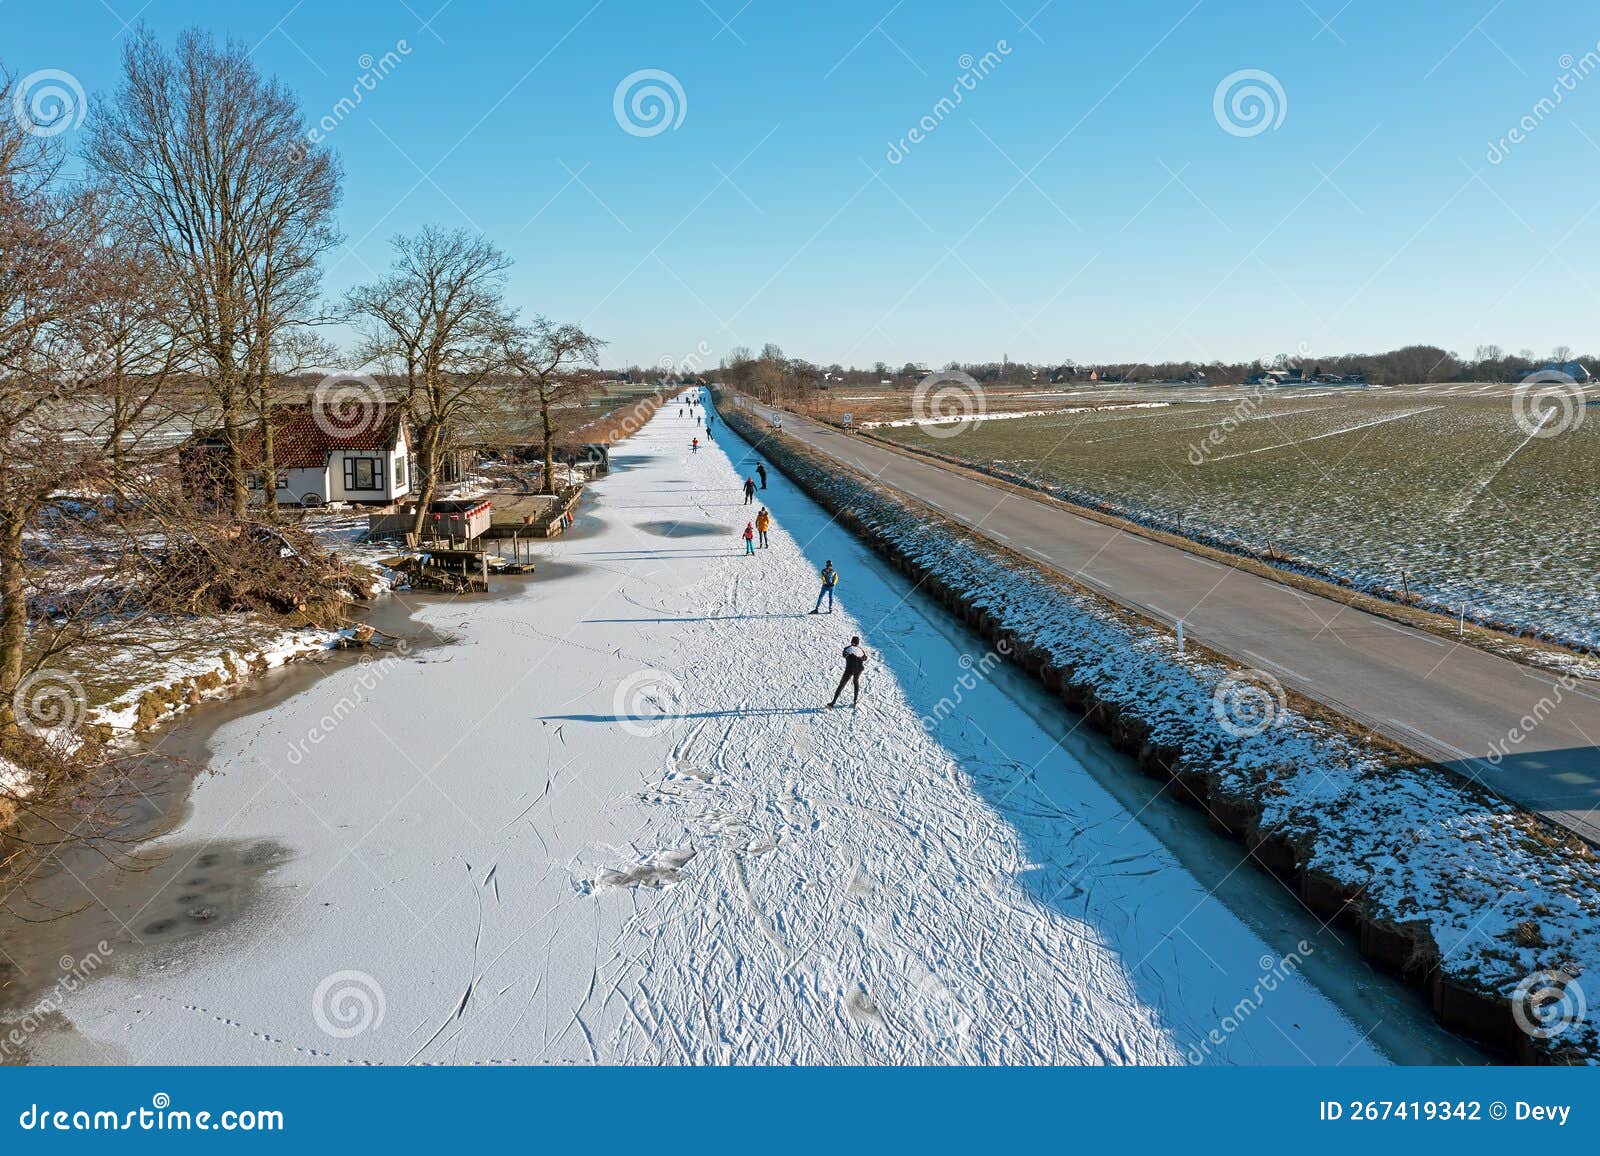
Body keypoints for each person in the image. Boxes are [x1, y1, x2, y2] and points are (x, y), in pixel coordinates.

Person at [828, 636, 868, 708]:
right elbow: (865, 658)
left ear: (852, 642)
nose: (854, 644)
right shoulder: (859, 649)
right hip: (858, 669)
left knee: (842, 684)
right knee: (855, 682)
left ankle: (833, 703)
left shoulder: (849, 648)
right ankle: (855, 700)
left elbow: (844, 655)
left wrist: (855, 656)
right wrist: (859, 657)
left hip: (850, 669)